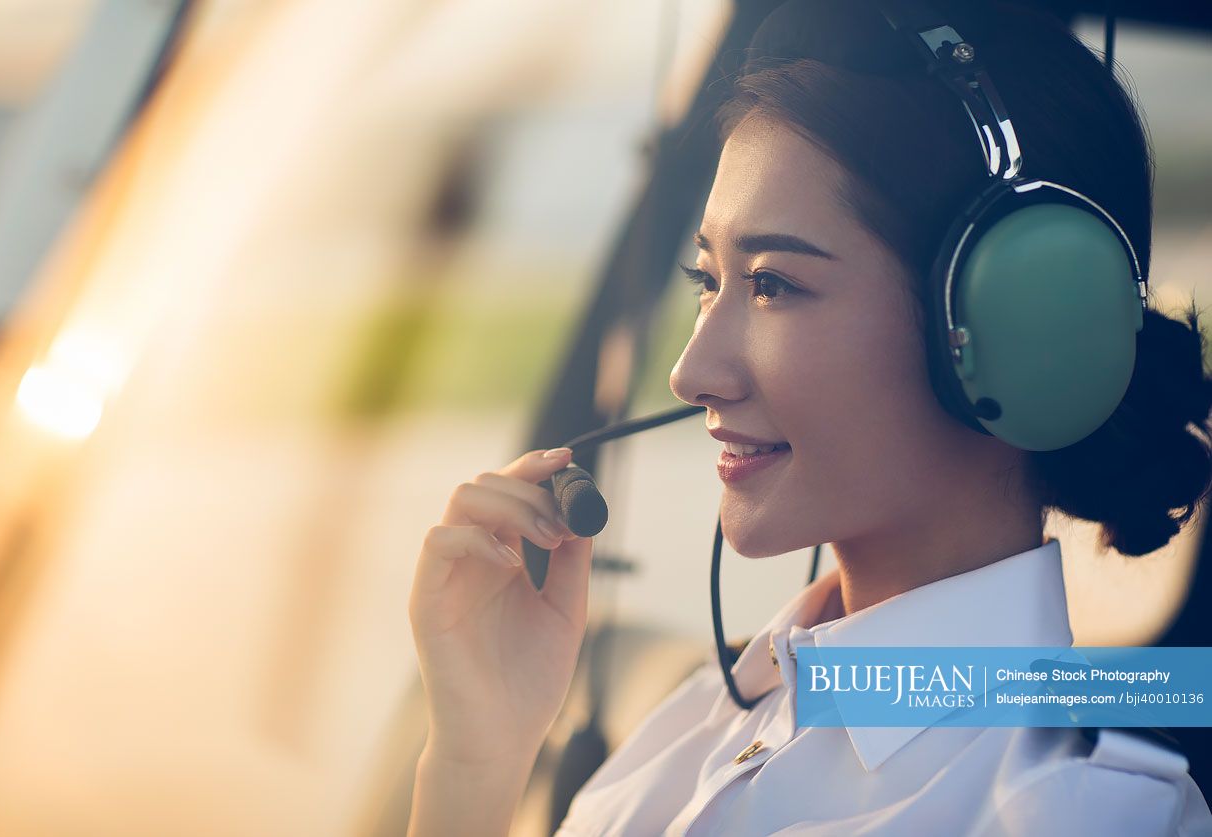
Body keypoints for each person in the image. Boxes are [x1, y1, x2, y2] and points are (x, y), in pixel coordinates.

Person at [405, 1, 1212, 834]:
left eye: (772, 285)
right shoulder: (692, 726)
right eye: (707, 281)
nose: (689, 374)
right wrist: (478, 758)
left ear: (1015, 326)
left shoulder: (1080, 817)